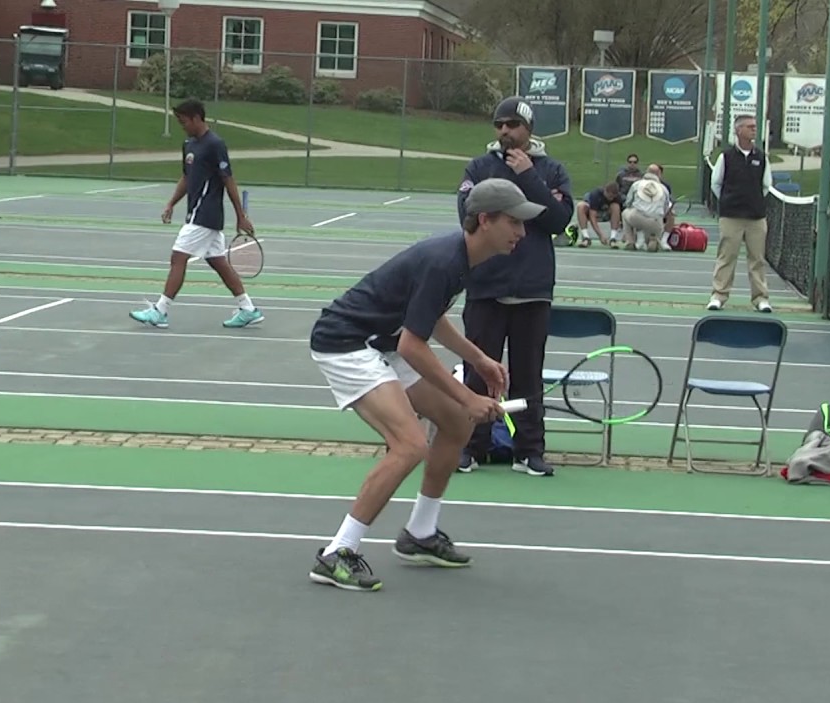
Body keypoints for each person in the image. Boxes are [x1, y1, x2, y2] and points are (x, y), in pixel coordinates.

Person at [306, 178, 545, 592]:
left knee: (456, 423)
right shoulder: (444, 260)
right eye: (514, 222)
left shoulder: (462, 260)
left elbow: (429, 320)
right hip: (345, 344)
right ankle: (337, 552)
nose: (521, 232)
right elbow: (413, 346)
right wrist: (468, 395)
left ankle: (420, 533)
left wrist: (480, 360)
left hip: (382, 342)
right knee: (411, 444)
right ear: (485, 221)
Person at [455, 96, 574, 477]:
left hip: (532, 288)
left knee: (527, 374)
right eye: (499, 125)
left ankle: (529, 451)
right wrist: (523, 209)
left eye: (512, 124)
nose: (504, 131)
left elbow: (556, 220)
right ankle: (470, 446)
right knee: (478, 371)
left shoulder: (551, 170)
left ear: (529, 128)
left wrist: (527, 178)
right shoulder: (479, 166)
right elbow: (469, 215)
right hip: (486, 286)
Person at [129, 98, 263, 330]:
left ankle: (160, 311)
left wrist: (240, 215)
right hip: (196, 213)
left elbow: (228, 180)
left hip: (206, 215)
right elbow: (187, 177)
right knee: (218, 262)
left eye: (184, 122)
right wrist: (171, 203)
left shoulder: (215, 144)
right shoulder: (189, 144)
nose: (183, 126)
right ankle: (248, 309)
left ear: (197, 118)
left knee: (178, 257)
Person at [707, 113, 774, 312]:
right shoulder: (726, 157)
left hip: (756, 218)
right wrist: (729, 202)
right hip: (731, 218)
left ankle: (761, 298)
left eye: (755, 126)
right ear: (738, 130)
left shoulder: (761, 158)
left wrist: (753, 202)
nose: (754, 129)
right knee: (727, 256)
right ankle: (718, 295)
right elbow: (716, 184)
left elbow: (766, 186)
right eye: (749, 126)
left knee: (757, 258)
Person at [622, 173, 672, 252]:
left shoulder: (636, 185)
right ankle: (652, 238)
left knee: (625, 213)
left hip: (637, 217)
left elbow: (628, 202)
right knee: (652, 229)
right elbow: (666, 208)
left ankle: (630, 242)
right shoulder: (664, 189)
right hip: (657, 221)